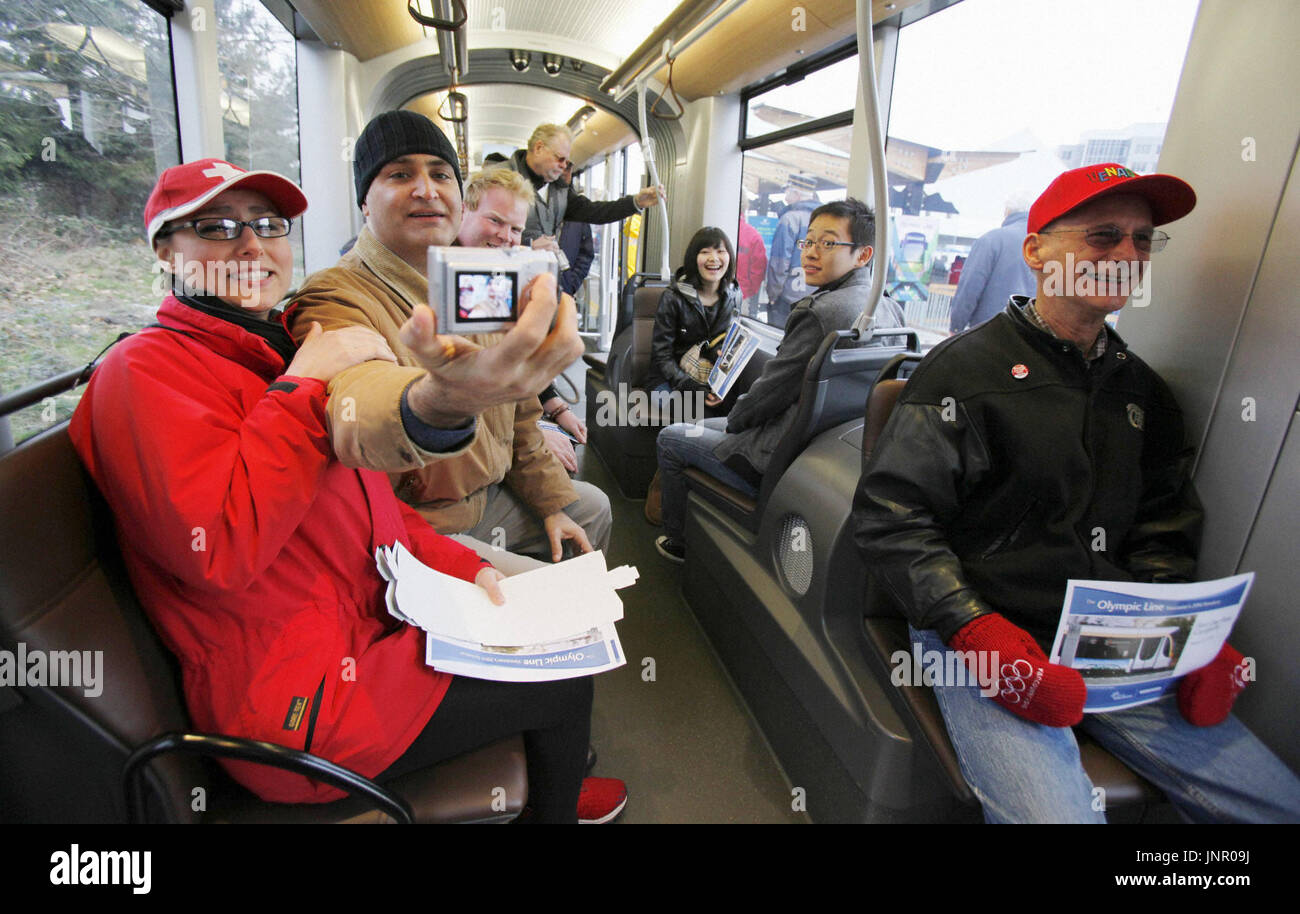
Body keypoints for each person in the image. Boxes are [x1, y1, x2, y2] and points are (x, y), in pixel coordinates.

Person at [69, 158, 626, 822]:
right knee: (565, 675)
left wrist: (467, 566)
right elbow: (217, 548)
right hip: (295, 709)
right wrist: (303, 390)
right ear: (166, 251)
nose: (250, 244)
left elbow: (374, 514)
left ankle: (551, 769)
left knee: (556, 630)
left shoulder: (266, 351)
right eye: (216, 227)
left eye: (268, 224)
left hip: (367, 629)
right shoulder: (141, 373)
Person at [851, 163, 1300, 823]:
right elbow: (893, 520)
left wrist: (1183, 639)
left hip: (1110, 638)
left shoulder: (1143, 394)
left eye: (1143, 242)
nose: (1126, 256)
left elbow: (1158, 528)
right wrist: (975, 628)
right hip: (984, 631)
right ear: (1035, 251)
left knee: (1279, 806)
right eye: (1103, 236)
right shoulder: (963, 373)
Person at [289, 111, 608, 572]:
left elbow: (519, 420)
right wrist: (440, 402)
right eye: (400, 174)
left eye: (441, 174)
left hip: (490, 493)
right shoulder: (336, 294)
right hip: (419, 522)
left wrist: (552, 503)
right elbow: (355, 408)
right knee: (555, 593)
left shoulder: (479, 282)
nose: (426, 189)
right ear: (364, 201)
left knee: (590, 509)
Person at [654, 198, 904, 562]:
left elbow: (769, 392)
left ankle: (677, 541)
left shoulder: (821, 313)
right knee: (704, 422)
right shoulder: (889, 308)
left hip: (775, 455)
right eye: (809, 241)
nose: (811, 252)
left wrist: (736, 421)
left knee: (671, 438)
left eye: (828, 243)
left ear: (863, 255)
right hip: (824, 447)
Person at [504, 123, 663, 254]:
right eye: (560, 159)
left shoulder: (559, 190)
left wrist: (635, 202)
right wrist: (527, 248)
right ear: (539, 148)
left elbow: (594, 211)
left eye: (566, 161)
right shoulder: (500, 181)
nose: (564, 166)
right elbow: (484, 239)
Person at [644, 225, 742, 404]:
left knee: (735, 405)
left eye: (720, 251)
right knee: (691, 408)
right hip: (669, 379)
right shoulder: (673, 296)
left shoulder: (734, 295)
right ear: (694, 258)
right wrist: (690, 386)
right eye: (705, 252)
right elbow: (662, 355)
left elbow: (723, 340)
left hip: (707, 375)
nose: (714, 258)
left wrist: (716, 354)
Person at [947, 198, 1036, 333]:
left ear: (1007, 212)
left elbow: (970, 286)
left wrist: (956, 326)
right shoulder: (1044, 245)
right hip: (1031, 334)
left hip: (989, 331)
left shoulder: (991, 240)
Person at [763, 173, 819, 328]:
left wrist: (773, 294)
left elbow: (779, 262)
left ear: (797, 193)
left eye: (788, 192)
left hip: (788, 299)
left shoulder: (790, 219)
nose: (786, 198)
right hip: (815, 300)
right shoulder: (823, 219)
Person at [735, 218, 768, 309]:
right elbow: (758, 270)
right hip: (741, 295)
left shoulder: (718, 228)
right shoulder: (753, 235)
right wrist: (749, 291)